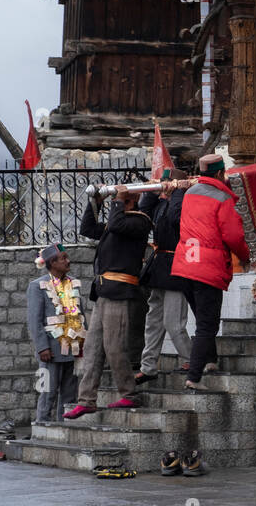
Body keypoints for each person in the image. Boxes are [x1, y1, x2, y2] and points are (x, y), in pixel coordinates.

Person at [63, 185, 152, 420]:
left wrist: (117, 201)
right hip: (104, 292)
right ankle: (86, 399)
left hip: (121, 291)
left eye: (120, 198)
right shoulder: (117, 221)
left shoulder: (140, 222)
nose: (116, 200)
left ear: (129, 201)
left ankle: (129, 393)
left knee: (114, 346)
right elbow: (88, 228)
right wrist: (96, 202)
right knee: (92, 349)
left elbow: (116, 224)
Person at [172, 154, 250, 393]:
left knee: (203, 317)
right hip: (207, 268)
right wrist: (246, 257)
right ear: (220, 174)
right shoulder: (222, 197)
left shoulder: (189, 194)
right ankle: (194, 378)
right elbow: (234, 236)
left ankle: (210, 360)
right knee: (206, 325)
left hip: (184, 265)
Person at [136, 170, 192, 383]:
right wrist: (151, 190)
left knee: (173, 321)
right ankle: (148, 366)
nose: (165, 187)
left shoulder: (184, 203)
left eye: (168, 183)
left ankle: (190, 359)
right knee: (153, 320)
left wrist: (178, 192)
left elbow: (176, 218)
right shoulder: (160, 204)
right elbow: (143, 213)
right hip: (159, 265)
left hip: (177, 264)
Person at [27, 244, 83, 423]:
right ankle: (42, 428)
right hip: (49, 351)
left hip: (72, 349)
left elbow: (80, 314)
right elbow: (35, 320)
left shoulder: (73, 282)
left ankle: (65, 428)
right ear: (52, 263)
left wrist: (84, 342)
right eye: (63, 258)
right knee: (47, 393)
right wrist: (42, 347)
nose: (68, 261)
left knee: (69, 395)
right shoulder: (37, 286)